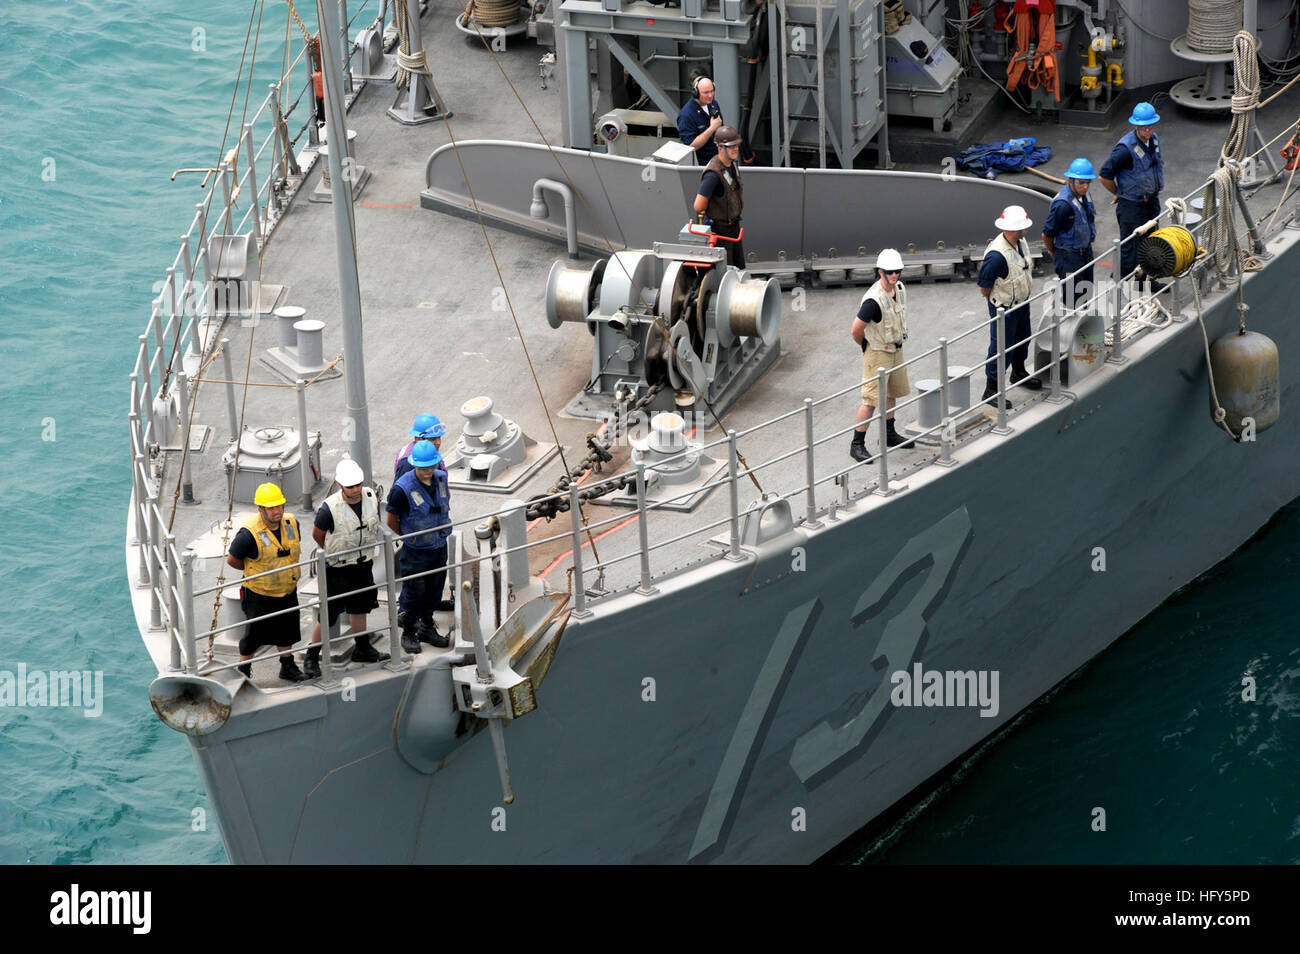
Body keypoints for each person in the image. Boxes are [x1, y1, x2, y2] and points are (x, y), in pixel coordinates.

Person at [305, 458, 390, 678]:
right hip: (337, 569)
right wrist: (331, 551)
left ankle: (362, 648)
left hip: (362, 565)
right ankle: (311, 656)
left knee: (360, 607)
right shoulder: (329, 509)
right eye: (350, 486)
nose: (355, 489)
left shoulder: (370, 496)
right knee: (328, 614)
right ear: (341, 485)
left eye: (358, 485)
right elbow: (318, 535)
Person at [226, 482, 308, 683]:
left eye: (279, 506)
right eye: (271, 508)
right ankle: (244, 671)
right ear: (260, 509)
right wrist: (255, 572)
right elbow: (233, 560)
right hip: (260, 593)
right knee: (253, 636)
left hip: (287, 589)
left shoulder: (292, 523)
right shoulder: (248, 534)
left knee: (287, 630)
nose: (276, 511)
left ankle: (287, 666)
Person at [386, 440, 452, 654]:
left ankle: (426, 627)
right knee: (415, 592)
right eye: (423, 468)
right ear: (415, 465)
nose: (427, 472)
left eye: (431, 467)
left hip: (438, 546)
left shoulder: (441, 479)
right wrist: (409, 537)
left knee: (434, 589)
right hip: (415, 551)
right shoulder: (402, 489)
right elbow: (391, 520)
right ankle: (409, 632)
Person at [849, 248, 912, 462]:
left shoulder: (899, 289)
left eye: (898, 271)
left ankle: (889, 434)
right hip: (877, 353)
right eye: (890, 272)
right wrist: (866, 345)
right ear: (880, 272)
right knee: (870, 399)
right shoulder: (872, 301)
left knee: (891, 393)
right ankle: (857, 443)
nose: (895, 276)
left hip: (895, 349)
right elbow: (856, 330)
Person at [979, 205, 1042, 407]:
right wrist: (999, 303)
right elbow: (984, 287)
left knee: (1022, 337)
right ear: (1016, 229)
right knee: (1001, 347)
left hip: (1021, 303)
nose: (1026, 229)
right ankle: (991, 390)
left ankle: (1018, 371)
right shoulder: (997, 256)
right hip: (1004, 308)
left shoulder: (1020, 243)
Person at [1098, 102, 1163, 282]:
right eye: (1144, 128)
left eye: (1150, 127)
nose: (1148, 131)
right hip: (1132, 206)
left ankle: (1147, 282)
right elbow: (1104, 175)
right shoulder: (1124, 150)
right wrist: (1118, 192)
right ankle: (1121, 286)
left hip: (1150, 202)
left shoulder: (1153, 140)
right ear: (1136, 126)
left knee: (1151, 244)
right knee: (1129, 248)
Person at [1042, 158, 1097, 312]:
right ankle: (1071, 331)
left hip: (1085, 253)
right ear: (1070, 181)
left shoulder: (1084, 195)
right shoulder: (1063, 205)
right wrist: (1055, 252)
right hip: (1069, 257)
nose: (1085, 187)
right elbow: (1047, 234)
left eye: (1088, 182)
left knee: (1086, 294)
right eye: (1081, 183)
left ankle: (1083, 328)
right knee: (1073, 301)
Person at [693, 125, 746, 269]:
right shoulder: (713, 174)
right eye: (730, 146)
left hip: (733, 228)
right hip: (720, 231)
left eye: (736, 145)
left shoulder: (731, 164)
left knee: (738, 269)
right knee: (724, 273)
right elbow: (698, 206)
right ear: (720, 147)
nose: (735, 149)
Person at [677, 75, 724, 165]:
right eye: (706, 93)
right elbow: (690, 147)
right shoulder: (686, 115)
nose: (710, 95)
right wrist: (712, 128)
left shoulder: (713, 104)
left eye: (712, 91)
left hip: (719, 158)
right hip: (702, 164)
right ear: (696, 93)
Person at [394, 412, 447, 480]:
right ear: (418, 439)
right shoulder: (408, 464)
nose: (438, 442)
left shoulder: (430, 451)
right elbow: (399, 489)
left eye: (439, 437)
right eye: (433, 439)